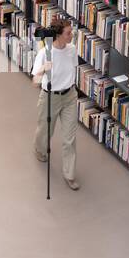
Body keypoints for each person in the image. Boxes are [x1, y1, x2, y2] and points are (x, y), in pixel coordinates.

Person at [31, 15, 79, 190]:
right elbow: (34, 81)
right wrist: (44, 68)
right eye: (68, 33)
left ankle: (70, 174)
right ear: (58, 35)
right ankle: (40, 149)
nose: (71, 35)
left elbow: (72, 68)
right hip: (49, 97)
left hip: (69, 97)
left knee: (69, 139)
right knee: (45, 131)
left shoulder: (72, 49)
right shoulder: (45, 53)